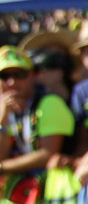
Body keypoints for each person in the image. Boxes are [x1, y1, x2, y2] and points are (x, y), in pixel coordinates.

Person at [0, 46, 74, 175]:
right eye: (4, 76)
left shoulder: (50, 103)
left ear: (34, 75)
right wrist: (3, 121)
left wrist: (2, 167)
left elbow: (48, 154)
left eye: (20, 74)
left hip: (52, 185)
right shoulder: (3, 109)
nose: (12, 82)